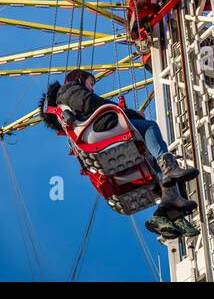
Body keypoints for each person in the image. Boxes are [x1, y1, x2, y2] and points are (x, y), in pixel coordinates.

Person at [49, 70, 201, 240]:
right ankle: (169, 168)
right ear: (79, 79)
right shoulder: (70, 90)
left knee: (152, 161)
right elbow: (90, 103)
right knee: (149, 126)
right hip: (103, 125)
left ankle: (168, 211)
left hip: (96, 130)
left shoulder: (65, 100)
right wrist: (131, 114)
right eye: (90, 83)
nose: (92, 88)